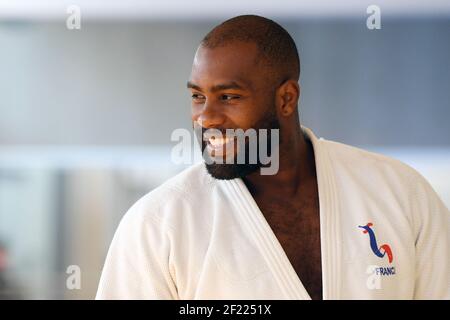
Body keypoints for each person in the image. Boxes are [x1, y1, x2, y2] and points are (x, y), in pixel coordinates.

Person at [96, 15, 449, 300]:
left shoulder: (401, 194)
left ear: (286, 99)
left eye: (229, 97)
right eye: (197, 96)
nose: (205, 118)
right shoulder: (158, 225)